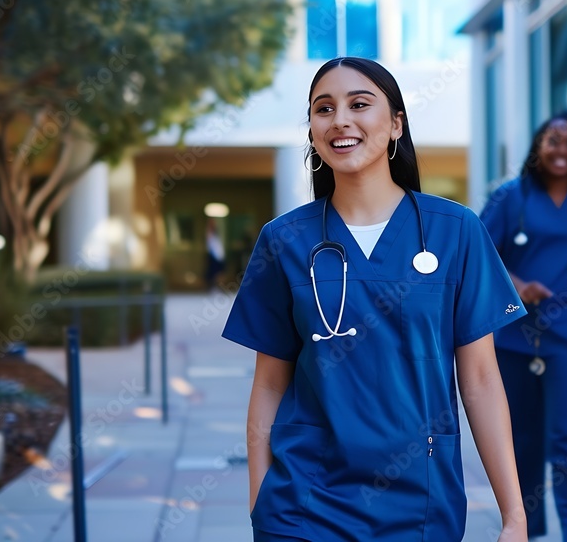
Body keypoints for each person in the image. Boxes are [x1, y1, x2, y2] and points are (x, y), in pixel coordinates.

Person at [222, 57, 529, 542]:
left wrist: (514, 513)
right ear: (313, 131)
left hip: (419, 501)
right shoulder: (284, 240)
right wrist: (260, 500)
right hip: (305, 501)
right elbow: (268, 385)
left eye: (359, 104)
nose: (340, 119)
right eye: (323, 109)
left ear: (395, 125)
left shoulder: (456, 231)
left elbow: (482, 379)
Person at [479, 112, 567, 541]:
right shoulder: (510, 197)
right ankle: (528, 530)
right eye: (553, 141)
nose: (562, 150)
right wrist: (518, 285)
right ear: (539, 146)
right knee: (521, 443)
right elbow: (480, 253)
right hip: (515, 337)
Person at [205, 218, 225, 290]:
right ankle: (213, 287)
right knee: (213, 273)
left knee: (219, 273)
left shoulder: (217, 233)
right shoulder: (209, 233)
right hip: (213, 256)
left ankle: (217, 286)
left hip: (219, 255)